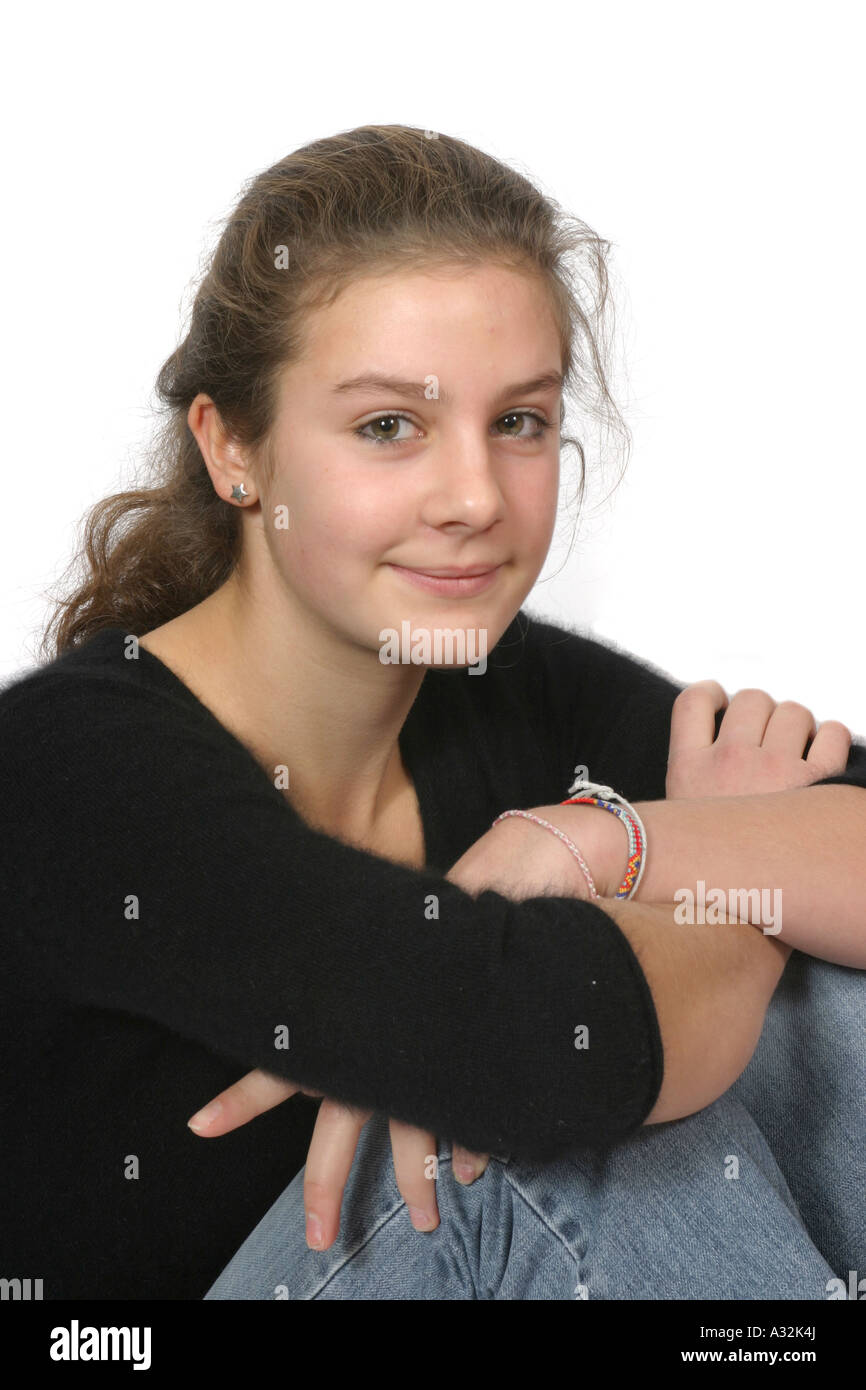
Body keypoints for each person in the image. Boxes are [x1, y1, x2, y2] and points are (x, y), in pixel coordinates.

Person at [2, 124, 864, 1302]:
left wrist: (614, 842)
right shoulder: (68, 766)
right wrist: (742, 907)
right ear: (233, 447)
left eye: (516, 422)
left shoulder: (500, 686)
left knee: (834, 1013)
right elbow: (533, 1050)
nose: (472, 498)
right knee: (514, 1147)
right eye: (386, 427)